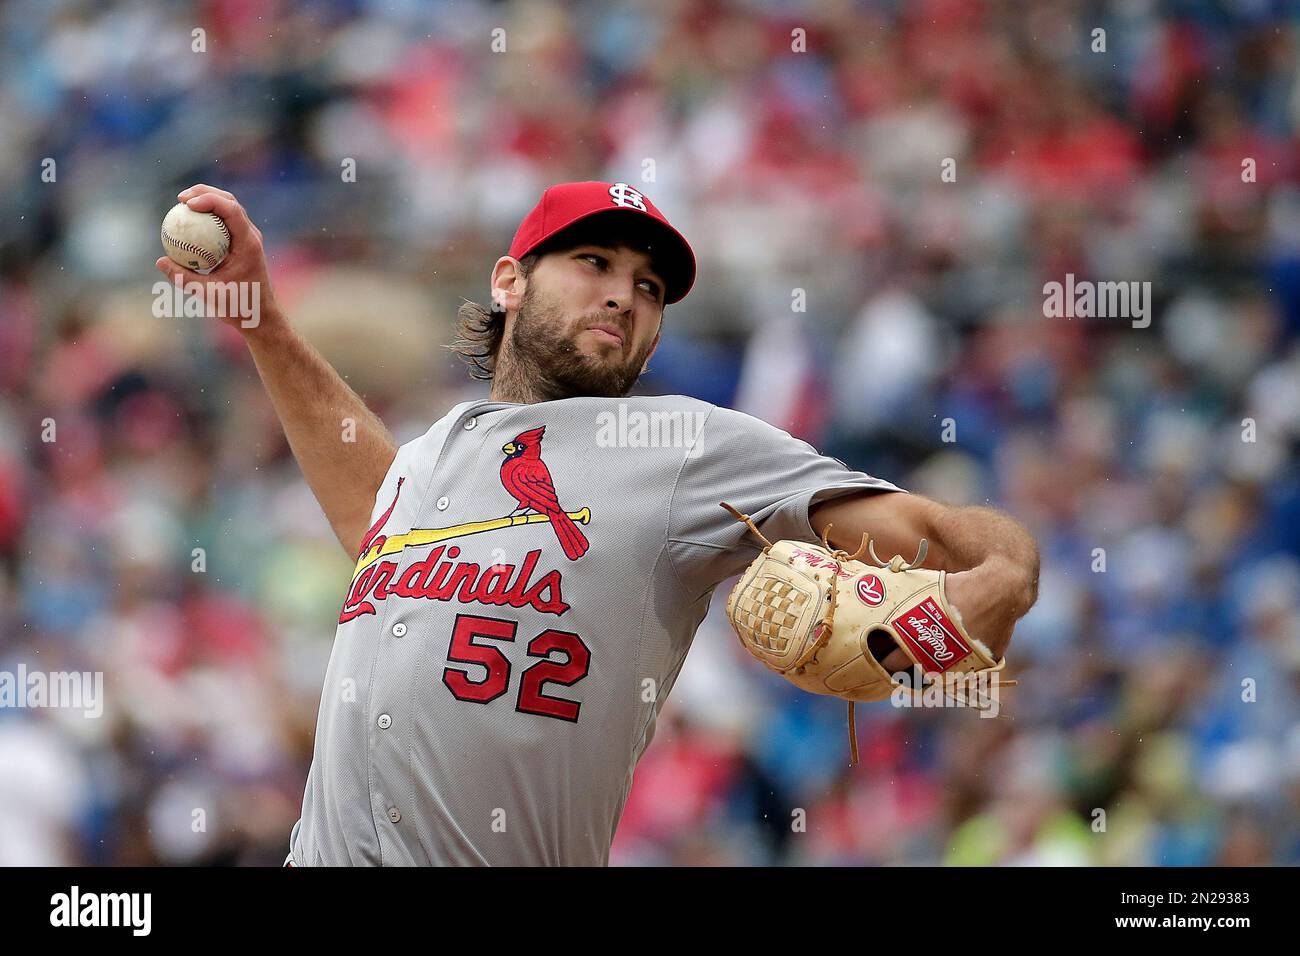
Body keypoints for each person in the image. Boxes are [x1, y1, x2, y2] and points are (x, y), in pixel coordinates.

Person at [155, 180, 1040, 866]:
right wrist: (262, 323)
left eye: (648, 285)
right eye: (594, 263)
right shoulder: (432, 458)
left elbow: (938, 528)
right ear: (510, 280)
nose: (624, 294)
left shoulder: (686, 446)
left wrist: (1001, 577)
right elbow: (375, 509)